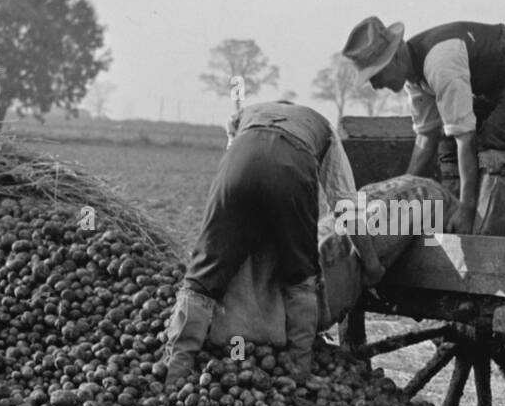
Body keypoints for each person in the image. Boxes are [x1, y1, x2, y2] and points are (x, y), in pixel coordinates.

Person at [159, 100, 383, 382]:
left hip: (237, 167)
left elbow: (242, 179)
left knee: (205, 272)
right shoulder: (324, 130)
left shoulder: (243, 117)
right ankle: (299, 370)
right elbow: (344, 204)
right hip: (291, 174)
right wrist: (372, 264)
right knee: (301, 274)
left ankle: (176, 366)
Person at [341, 17, 505, 235]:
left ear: (397, 58)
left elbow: (466, 138)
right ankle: (451, 226)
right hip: (497, 87)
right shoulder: (415, 77)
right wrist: (397, 196)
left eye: (376, 74)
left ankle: (487, 242)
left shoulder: (440, 65)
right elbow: (425, 138)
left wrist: (467, 210)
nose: (376, 85)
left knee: (493, 142)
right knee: (446, 141)